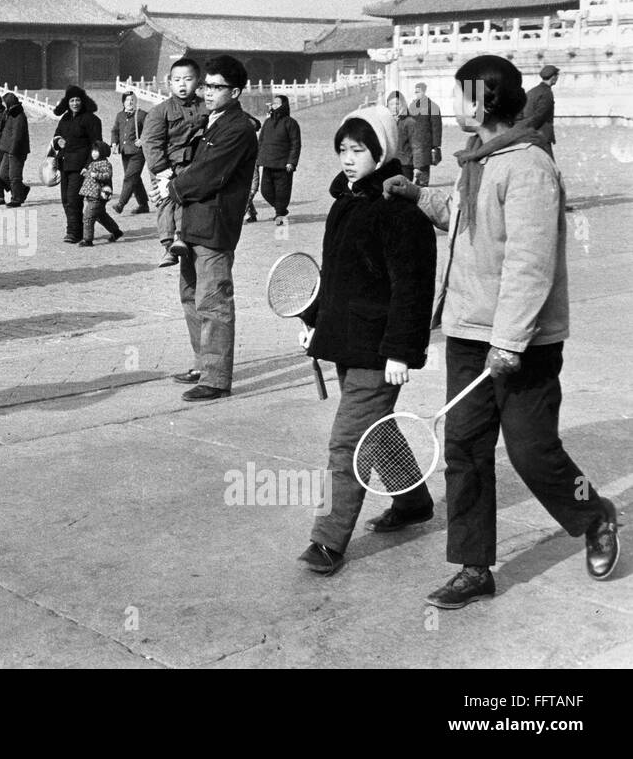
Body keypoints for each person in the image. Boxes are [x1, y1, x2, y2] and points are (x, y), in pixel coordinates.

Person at [383, 55, 617, 608]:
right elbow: (469, 219)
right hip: (469, 331)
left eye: (463, 94)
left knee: (533, 451)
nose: (456, 104)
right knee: (465, 448)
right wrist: (419, 197)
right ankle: (473, 567)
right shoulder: (479, 160)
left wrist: (508, 343)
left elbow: (530, 264)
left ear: (486, 100)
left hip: (523, 342)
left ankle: (594, 514)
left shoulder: (529, 165)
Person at [296, 106, 437, 575]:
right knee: (376, 432)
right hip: (346, 339)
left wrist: (401, 350)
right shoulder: (345, 202)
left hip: (380, 350)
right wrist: (314, 320)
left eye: (358, 150)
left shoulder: (401, 212)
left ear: (383, 152)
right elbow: (333, 274)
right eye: (343, 150)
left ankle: (328, 540)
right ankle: (413, 501)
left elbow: (412, 288)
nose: (348, 159)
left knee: (347, 442)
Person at [169, 56, 259, 402]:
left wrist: (174, 188)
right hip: (194, 222)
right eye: (205, 85)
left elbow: (210, 173)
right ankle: (201, 363)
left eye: (216, 87)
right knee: (191, 296)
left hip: (215, 226)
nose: (207, 92)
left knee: (213, 301)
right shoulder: (213, 121)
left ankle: (217, 378)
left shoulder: (238, 128)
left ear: (235, 92)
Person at [140, 59, 208, 267]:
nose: (182, 84)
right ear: (169, 83)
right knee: (166, 201)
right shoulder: (160, 111)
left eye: (188, 79)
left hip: (194, 164)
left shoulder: (206, 106)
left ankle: (183, 238)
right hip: (166, 166)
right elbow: (150, 142)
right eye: (177, 80)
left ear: (198, 82)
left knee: (188, 201)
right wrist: (161, 169)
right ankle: (169, 245)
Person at [48, 86, 103, 244]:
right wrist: (58, 141)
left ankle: (74, 232)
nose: (75, 103)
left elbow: (96, 145)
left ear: (83, 101)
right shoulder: (64, 118)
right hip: (64, 163)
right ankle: (76, 228)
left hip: (81, 166)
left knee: (73, 199)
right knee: (65, 199)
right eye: (72, 100)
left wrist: (89, 165)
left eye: (78, 100)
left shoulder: (91, 119)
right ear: (67, 102)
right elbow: (56, 137)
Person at [255, 95, 301, 225]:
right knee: (266, 191)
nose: (273, 105)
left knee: (282, 193)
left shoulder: (291, 123)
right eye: (273, 103)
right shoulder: (268, 122)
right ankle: (281, 210)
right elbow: (261, 141)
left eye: (276, 103)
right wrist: (258, 159)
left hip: (283, 165)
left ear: (283, 105)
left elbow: (295, 144)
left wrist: (291, 162)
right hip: (267, 163)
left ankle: (279, 214)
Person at [110, 91, 150, 214]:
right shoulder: (120, 115)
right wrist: (114, 143)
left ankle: (121, 204)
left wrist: (143, 139)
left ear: (136, 102)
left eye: (132, 99)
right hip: (125, 152)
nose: (130, 102)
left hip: (138, 152)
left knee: (129, 178)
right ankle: (143, 205)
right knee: (135, 179)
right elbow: (115, 131)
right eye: (127, 100)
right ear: (123, 102)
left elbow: (151, 129)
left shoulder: (142, 115)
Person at [77, 141, 122, 246]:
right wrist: (87, 173)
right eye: (93, 151)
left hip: (98, 196)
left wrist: (95, 175)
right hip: (92, 195)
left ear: (102, 152)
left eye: (96, 151)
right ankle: (116, 231)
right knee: (101, 216)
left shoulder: (105, 164)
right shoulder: (93, 163)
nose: (93, 153)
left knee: (88, 217)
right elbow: (92, 177)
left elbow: (107, 175)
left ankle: (87, 240)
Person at [0, 91, 31, 207]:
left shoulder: (18, 115)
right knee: (2, 173)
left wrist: (13, 151)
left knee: (14, 176)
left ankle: (16, 199)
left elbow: (17, 136)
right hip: (7, 149)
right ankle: (22, 189)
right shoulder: (11, 113)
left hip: (16, 151)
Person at [388, 89, 427, 183]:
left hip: (405, 165)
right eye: (391, 104)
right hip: (389, 165)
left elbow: (417, 146)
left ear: (403, 104)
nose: (394, 107)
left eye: (397, 103)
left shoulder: (410, 122)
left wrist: (417, 167)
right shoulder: (386, 122)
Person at [520, 64, 559, 155]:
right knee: (549, 166)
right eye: (557, 76)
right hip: (541, 137)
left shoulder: (533, 91)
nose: (557, 78)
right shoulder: (546, 93)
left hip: (529, 135)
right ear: (553, 77)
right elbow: (540, 116)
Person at [409, 82, 442, 185]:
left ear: (424, 91)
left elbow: (436, 127)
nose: (416, 94)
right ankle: (415, 182)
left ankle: (424, 183)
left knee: (424, 163)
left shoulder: (433, 107)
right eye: (415, 92)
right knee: (413, 162)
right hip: (413, 140)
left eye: (418, 92)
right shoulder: (412, 105)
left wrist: (435, 145)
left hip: (426, 141)